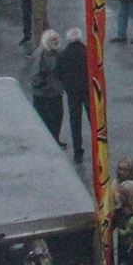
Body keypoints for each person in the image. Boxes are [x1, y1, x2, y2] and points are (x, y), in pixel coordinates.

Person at [56, 25, 88, 162]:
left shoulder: (63, 55)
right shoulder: (87, 51)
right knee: (94, 119)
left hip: (73, 93)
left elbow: (57, 73)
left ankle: (77, 152)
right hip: (87, 90)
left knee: (75, 121)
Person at [28, 29, 65, 142]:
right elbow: (35, 76)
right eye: (53, 40)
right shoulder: (40, 55)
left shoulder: (57, 52)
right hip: (44, 94)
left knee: (57, 118)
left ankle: (55, 139)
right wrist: (45, 84)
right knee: (45, 119)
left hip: (55, 92)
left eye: (56, 39)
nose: (56, 42)